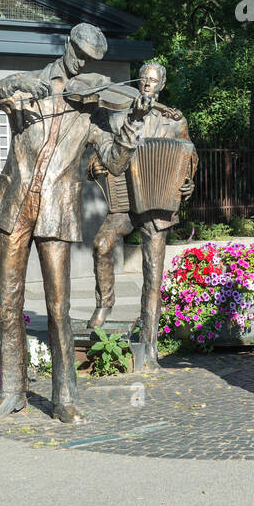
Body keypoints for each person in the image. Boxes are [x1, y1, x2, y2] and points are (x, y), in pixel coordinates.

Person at [0, 47, 149, 424]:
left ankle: (64, 398)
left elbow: (113, 161)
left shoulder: (90, 113)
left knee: (59, 309)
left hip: (56, 213)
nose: (82, 64)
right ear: (67, 48)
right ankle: (12, 392)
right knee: (6, 302)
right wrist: (10, 84)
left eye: (89, 59)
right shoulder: (24, 90)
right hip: (14, 206)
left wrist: (132, 126)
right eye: (79, 55)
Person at [87, 61, 197, 370]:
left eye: (153, 81)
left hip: (158, 206)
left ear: (161, 85)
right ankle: (104, 303)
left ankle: (150, 347)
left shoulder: (173, 121)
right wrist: (94, 167)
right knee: (102, 244)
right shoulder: (119, 115)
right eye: (144, 79)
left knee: (152, 277)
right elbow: (98, 156)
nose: (148, 84)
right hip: (126, 201)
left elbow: (189, 156)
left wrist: (188, 183)